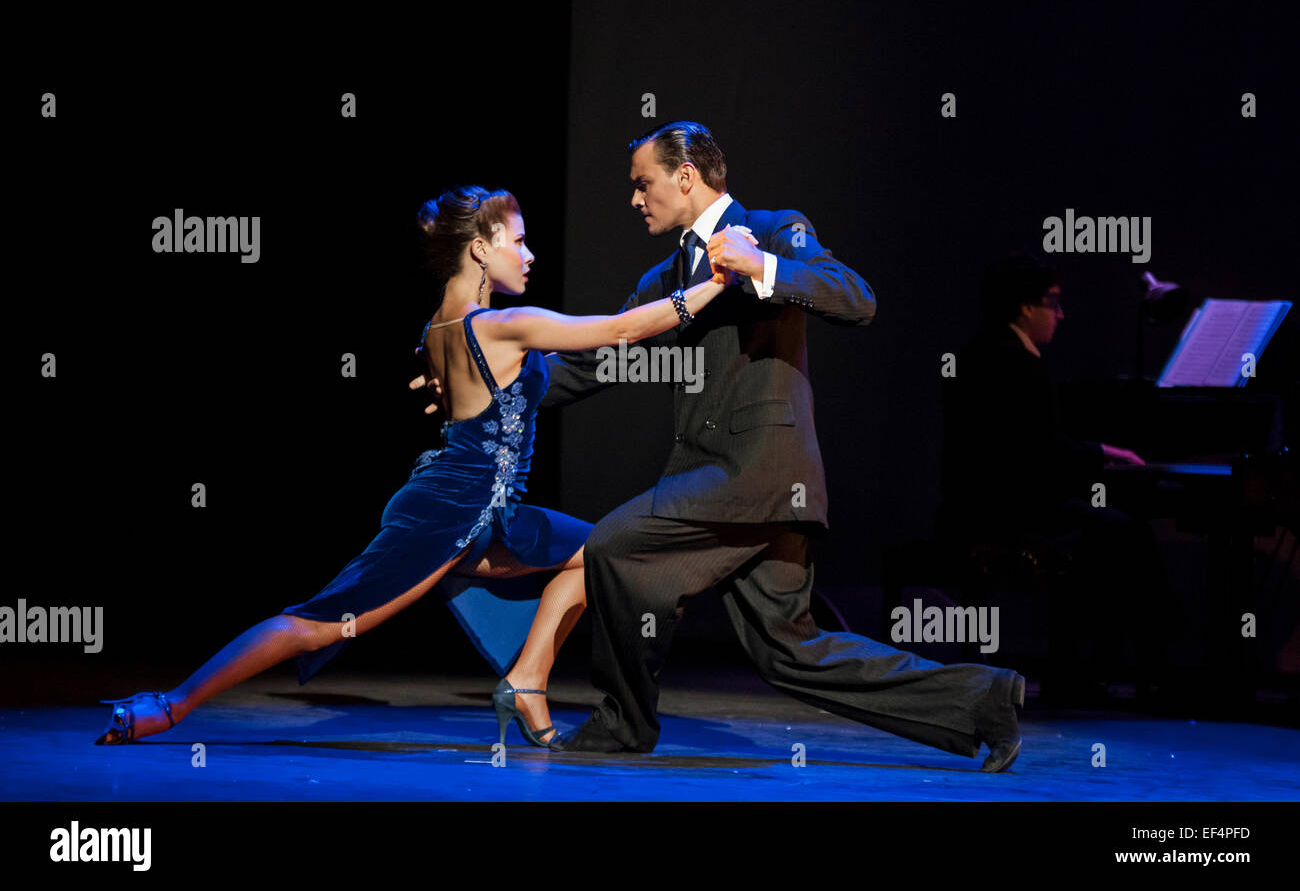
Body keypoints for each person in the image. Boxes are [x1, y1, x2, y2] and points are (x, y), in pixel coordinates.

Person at [415, 122, 1027, 771]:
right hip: (728, 483)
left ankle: (624, 723)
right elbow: (596, 361)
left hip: (758, 471)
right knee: (790, 652)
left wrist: (760, 266)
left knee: (614, 546)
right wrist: (481, 389)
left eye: (642, 183)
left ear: (686, 177)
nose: (634, 198)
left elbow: (857, 298)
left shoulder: (772, 228)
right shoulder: (669, 274)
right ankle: (985, 700)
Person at [92, 184, 739, 749]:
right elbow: (621, 331)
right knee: (316, 625)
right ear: (480, 248)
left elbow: (472, 394)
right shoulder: (499, 324)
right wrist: (713, 282)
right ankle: (168, 705)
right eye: (518, 239)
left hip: (493, 516)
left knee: (606, 550)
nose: (530, 253)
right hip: (448, 513)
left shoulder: (440, 326)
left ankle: (527, 683)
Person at [938, 253, 1175, 701]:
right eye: (1054, 303)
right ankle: (1128, 671)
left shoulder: (983, 351)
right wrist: (1105, 453)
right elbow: (1036, 450)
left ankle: (1090, 670)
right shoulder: (1013, 361)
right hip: (1002, 512)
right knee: (1121, 535)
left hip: (979, 503)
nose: (1060, 315)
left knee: (1107, 531)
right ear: (1026, 307)